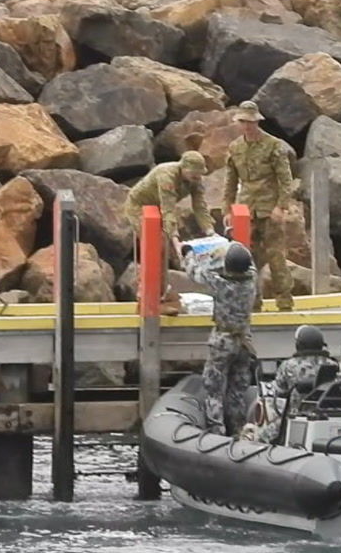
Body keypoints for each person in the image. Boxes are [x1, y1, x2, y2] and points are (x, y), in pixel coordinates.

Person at [178, 239, 259, 437]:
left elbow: (194, 272)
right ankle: (237, 431)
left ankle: (217, 434)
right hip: (244, 341)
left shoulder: (220, 283)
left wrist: (188, 252)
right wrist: (233, 243)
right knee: (237, 390)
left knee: (214, 389)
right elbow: (250, 262)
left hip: (223, 341)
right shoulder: (252, 280)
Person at [223, 100, 295, 312]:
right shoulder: (235, 147)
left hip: (269, 208)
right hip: (245, 209)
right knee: (246, 256)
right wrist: (228, 209)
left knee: (275, 256)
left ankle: (284, 301)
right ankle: (252, 301)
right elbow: (230, 181)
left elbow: (285, 178)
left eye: (251, 122)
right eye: (243, 122)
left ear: (257, 122)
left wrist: (281, 206)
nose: (247, 126)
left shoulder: (273, 145)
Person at [124, 150, 214, 315]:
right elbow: (169, 209)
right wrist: (175, 240)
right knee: (155, 247)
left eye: (199, 175)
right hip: (140, 207)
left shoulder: (195, 180)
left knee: (163, 250)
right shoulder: (167, 175)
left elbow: (200, 206)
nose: (197, 178)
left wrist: (211, 233)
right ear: (184, 169)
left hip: (158, 210)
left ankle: (162, 292)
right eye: (194, 175)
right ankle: (147, 299)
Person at [252, 324, 339, 444]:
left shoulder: (289, 365)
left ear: (299, 344)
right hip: (324, 414)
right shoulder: (333, 365)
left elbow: (278, 392)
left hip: (295, 415)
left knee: (261, 436)